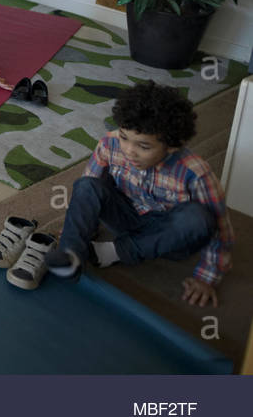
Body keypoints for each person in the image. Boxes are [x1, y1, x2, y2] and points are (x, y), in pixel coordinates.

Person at [46, 81, 233, 307]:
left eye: (144, 147)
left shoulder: (195, 172)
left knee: (198, 218)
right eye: (124, 137)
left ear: (172, 146)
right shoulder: (109, 143)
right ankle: (71, 255)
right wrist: (76, 228)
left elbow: (222, 230)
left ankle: (112, 252)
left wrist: (207, 278)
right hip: (127, 217)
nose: (129, 151)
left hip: (168, 236)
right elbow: (88, 191)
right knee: (87, 184)